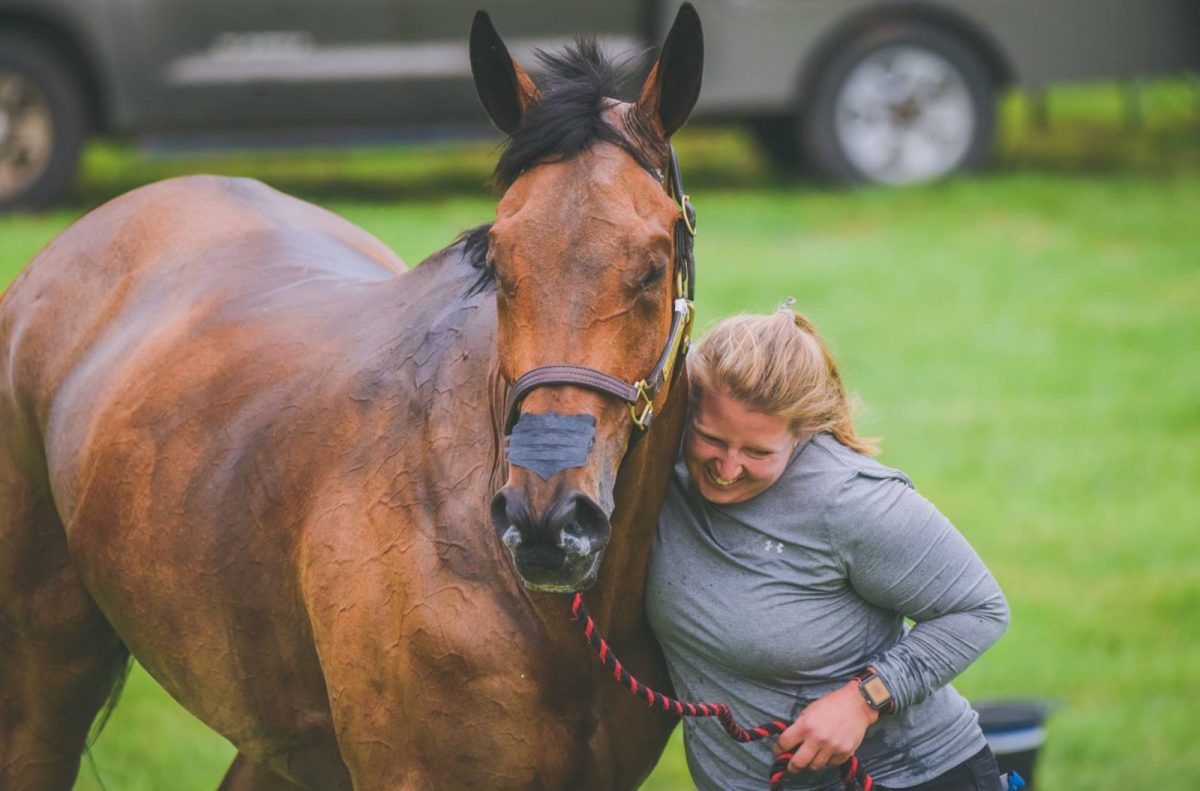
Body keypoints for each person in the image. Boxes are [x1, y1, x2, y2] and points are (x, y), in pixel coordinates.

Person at [645, 305, 1010, 791]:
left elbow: (980, 609)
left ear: (801, 433)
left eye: (757, 452)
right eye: (711, 439)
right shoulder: (659, 470)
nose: (727, 468)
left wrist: (863, 701)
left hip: (909, 776)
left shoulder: (849, 500)